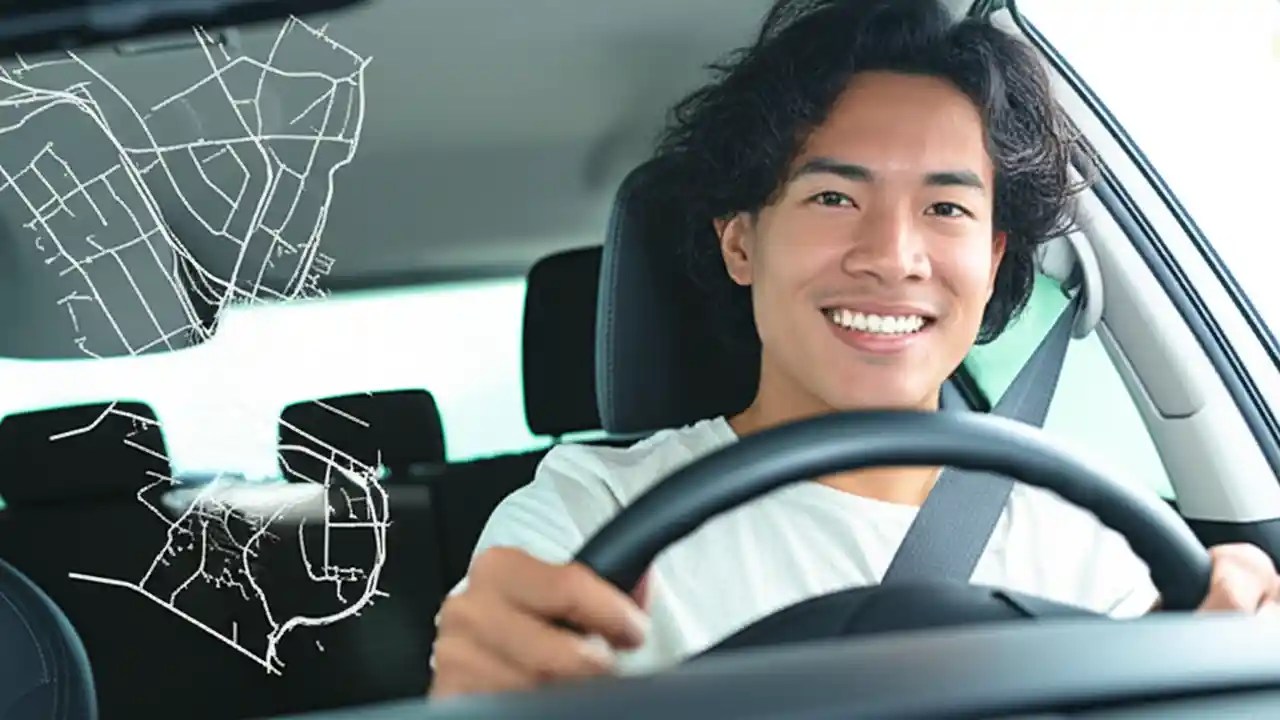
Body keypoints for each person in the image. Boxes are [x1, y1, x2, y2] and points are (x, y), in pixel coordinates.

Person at [429, 0, 1280, 698]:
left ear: (989, 265)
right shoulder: (591, 515)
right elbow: (508, 648)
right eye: (835, 197)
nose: (893, 256)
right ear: (741, 244)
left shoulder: (1105, 542)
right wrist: (479, 694)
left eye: (946, 210)